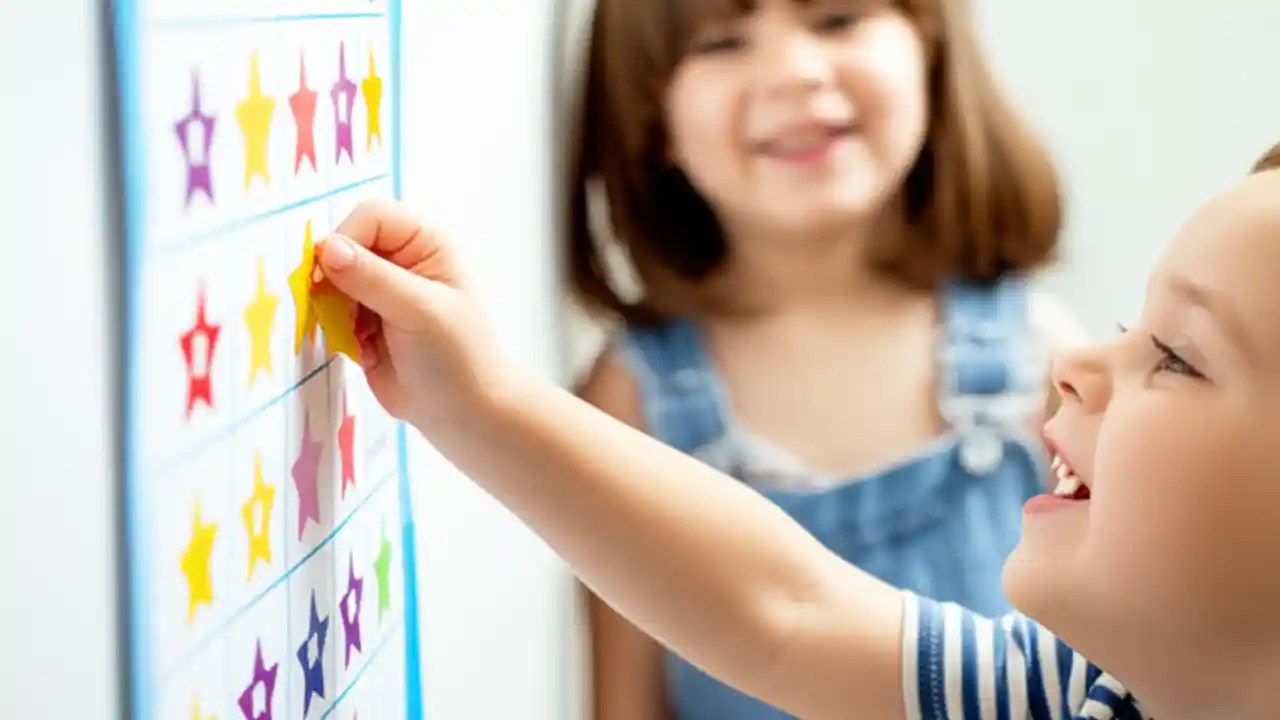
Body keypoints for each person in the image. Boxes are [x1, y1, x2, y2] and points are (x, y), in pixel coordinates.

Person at [314, 141, 1280, 719]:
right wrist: (479, 400)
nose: (1075, 363)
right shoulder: (1080, 697)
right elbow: (787, 614)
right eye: (1130, 326)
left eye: (1178, 356)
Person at [564, 0, 1083, 715]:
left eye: (838, 20)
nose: (794, 72)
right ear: (647, 115)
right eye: (722, 43)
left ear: (929, 51)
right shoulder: (629, 401)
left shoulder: (1048, 359)